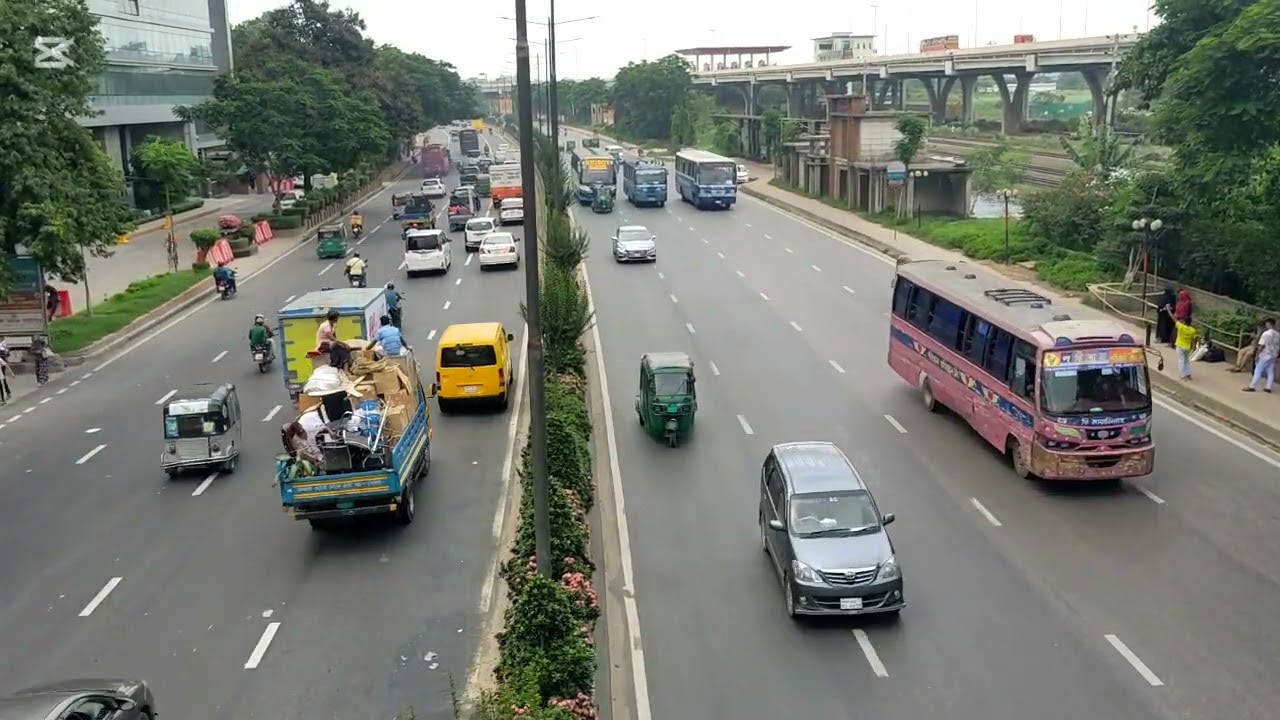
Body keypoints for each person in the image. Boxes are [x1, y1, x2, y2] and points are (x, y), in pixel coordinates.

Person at [1244, 318, 1278, 394]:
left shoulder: (1266, 334)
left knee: (1258, 370)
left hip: (1265, 354)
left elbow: (1261, 345)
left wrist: (1257, 355)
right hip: (1273, 354)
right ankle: (1268, 387)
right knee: (1270, 371)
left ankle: (1252, 386)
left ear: (1268, 324)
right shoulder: (1277, 334)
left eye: (1266, 324)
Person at [1168, 306, 1198, 381]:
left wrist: (1168, 310)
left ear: (1184, 322)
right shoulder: (1192, 330)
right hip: (1187, 347)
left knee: (1181, 360)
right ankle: (1188, 374)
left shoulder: (1181, 327)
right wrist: (1194, 346)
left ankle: (1183, 375)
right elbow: (1194, 339)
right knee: (1187, 360)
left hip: (1180, 346)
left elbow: (1173, 318)